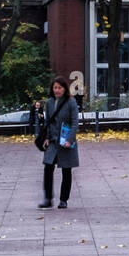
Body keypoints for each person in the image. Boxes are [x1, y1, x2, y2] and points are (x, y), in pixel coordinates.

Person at [38, 75, 79, 209]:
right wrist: (47, 138)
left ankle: (63, 200)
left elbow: (75, 123)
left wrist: (69, 140)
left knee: (66, 170)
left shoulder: (71, 102)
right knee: (48, 168)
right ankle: (48, 199)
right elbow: (48, 122)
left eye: (59, 88)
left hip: (66, 141)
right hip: (53, 142)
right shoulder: (49, 102)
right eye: (55, 87)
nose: (57, 90)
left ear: (64, 89)